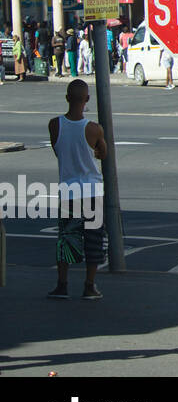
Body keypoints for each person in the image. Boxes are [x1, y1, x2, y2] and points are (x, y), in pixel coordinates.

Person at [48, 79, 108, 300]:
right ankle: (89, 286)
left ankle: (62, 285)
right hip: (92, 192)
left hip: (69, 192)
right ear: (87, 100)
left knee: (67, 239)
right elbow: (103, 153)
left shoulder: (55, 125)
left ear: (67, 98)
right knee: (93, 240)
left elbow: (58, 151)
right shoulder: (94, 129)